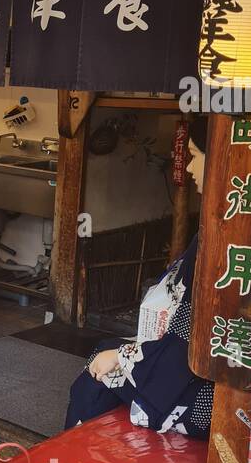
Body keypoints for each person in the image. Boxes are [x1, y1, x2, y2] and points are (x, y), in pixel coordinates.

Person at [65, 117, 214, 440]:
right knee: (105, 350)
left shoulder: (219, 240)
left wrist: (123, 356)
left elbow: (185, 338)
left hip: (200, 396)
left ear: (218, 161)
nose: (190, 168)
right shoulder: (218, 230)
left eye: (196, 156)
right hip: (190, 366)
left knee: (94, 378)